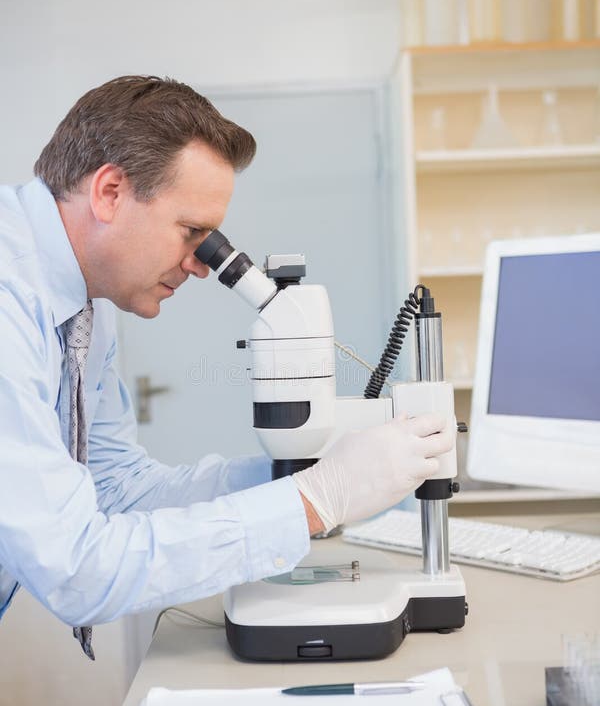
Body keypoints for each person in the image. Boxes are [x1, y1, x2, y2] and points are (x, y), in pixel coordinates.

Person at [0, 75, 453, 658]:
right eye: (192, 233)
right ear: (110, 191)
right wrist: (315, 499)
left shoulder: (84, 300)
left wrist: (300, 470)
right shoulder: (10, 305)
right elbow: (77, 570)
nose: (201, 265)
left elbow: (117, 490)